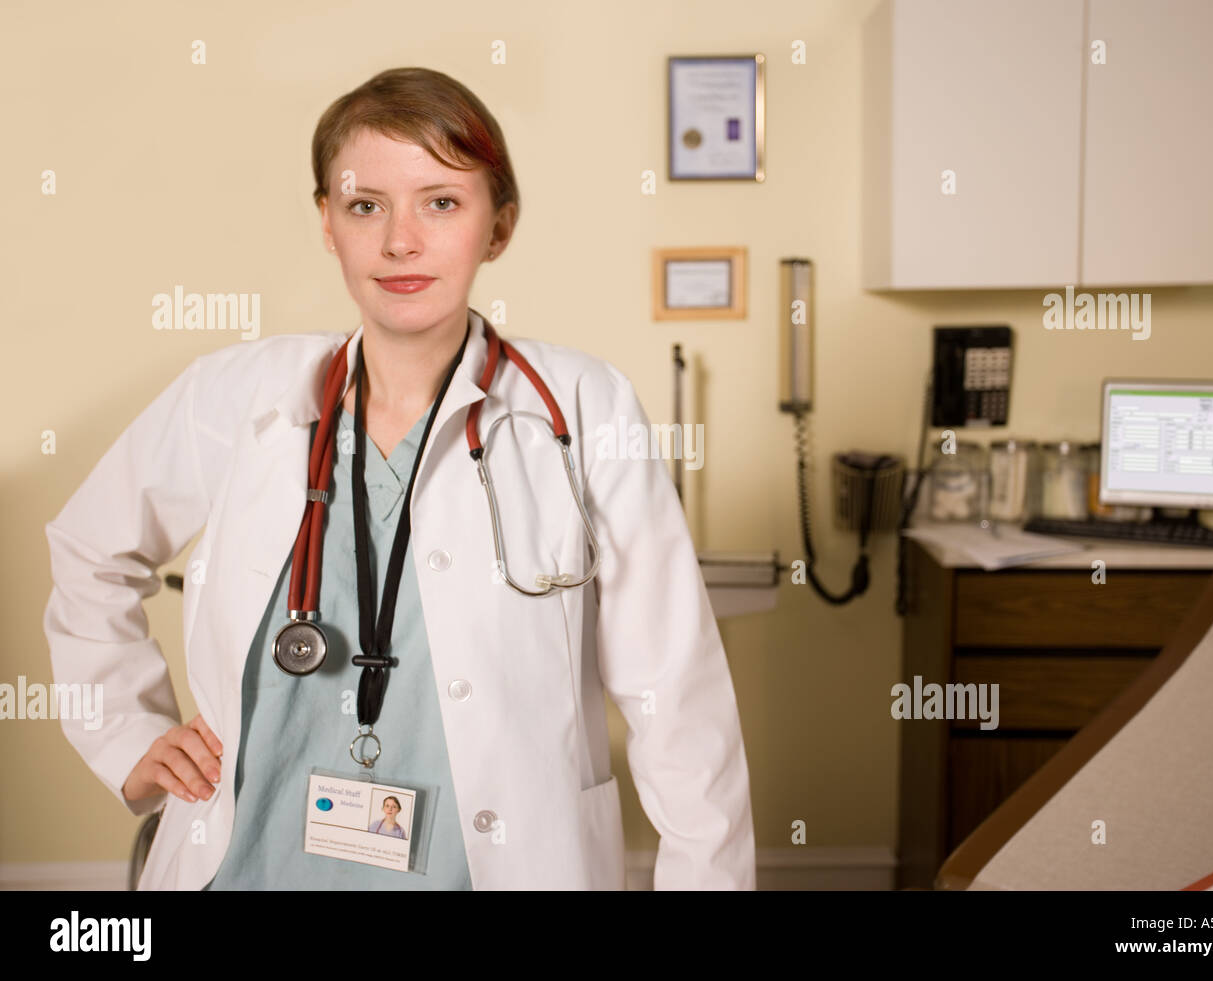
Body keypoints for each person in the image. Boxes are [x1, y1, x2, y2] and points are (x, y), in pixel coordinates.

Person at [44, 66, 755, 890]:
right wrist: (126, 731)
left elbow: (677, 692)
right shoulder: (236, 396)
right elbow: (90, 547)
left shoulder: (584, 406)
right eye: (365, 204)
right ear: (327, 222)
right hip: (252, 867)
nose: (399, 241)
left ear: (499, 227)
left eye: (442, 202)